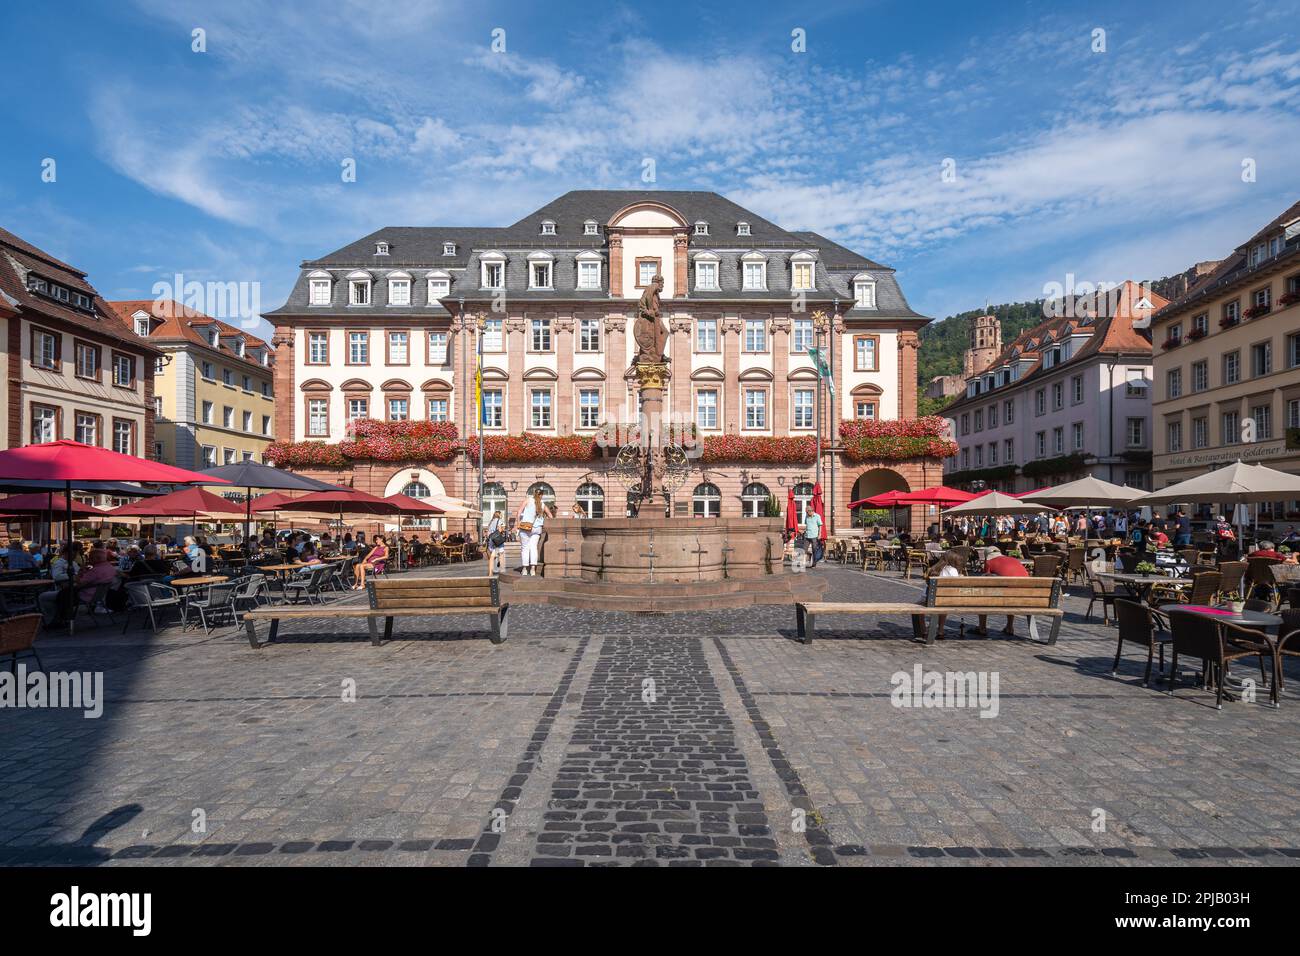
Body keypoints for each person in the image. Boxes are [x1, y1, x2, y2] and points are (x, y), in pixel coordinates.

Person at [978, 552, 1031, 637]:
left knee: (983, 596)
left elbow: (985, 580)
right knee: (1011, 592)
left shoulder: (989, 562)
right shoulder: (1015, 560)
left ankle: (982, 628)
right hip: (1027, 597)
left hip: (1008, 597)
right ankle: (1010, 627)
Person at [517, 490, 553, 576]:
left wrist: (518, 524)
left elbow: (518, 512)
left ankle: (525, 569)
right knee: (533, 548)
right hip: (537, 529)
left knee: (525, 548)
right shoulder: (542, 504)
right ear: (541, 495)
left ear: (534, 494)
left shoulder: (527, 500)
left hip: (525, 527)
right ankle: (533, 569)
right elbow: (551, 516)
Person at [484, 510, 507, 576]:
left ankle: (490, 573)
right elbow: (500, 530)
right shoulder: (499, 521)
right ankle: (502, 571)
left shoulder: (491, 522)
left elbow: (488, 533)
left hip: (492, 540)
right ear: (499, 515)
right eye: (501, 514)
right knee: (501, 553)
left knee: (492, 557)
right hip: (498, 540)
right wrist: (503, 529)